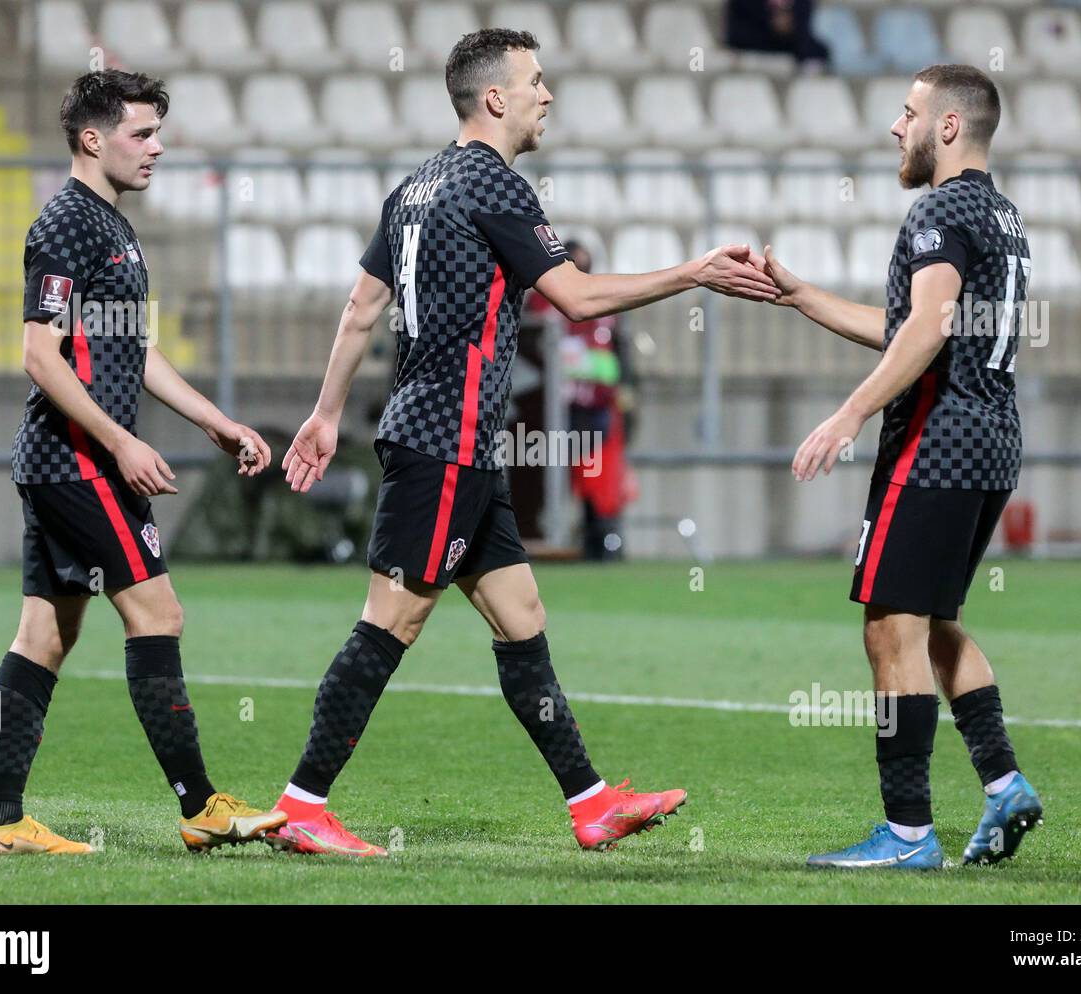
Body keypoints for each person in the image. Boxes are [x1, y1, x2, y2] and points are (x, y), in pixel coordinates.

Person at [269, 28, 778, 856]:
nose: (548, 94)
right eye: (536, 81)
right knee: (388, 624)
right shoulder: (493, 186)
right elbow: (574, 298)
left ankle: (590, 803)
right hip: (445, 444)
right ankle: (301, 806)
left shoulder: (414, 187)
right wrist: (692, 272)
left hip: (458, 446)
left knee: (521, 617)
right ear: (494, 97)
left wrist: (327, 413)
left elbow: (362, 306)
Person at [0, 70, 283, 855]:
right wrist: (120, 440)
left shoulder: (113, 226)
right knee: (159, 615)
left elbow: (135, 351)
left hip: (62, 463)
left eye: (156, 132)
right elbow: (40, 357)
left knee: (43, 635)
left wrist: (215, 422)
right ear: (91, 138)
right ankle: (202, 807)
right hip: (76, 464)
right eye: (141, 133)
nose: (157, 146)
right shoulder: (67, 224)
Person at [760, 64, 1042, 869]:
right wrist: (802, 295)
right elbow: (915, 325)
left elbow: (924, 331)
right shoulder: (1002, 213)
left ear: (947, 125)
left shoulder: (941, 208)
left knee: (889, 628)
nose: (896, 126)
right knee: (933, 623)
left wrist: (849, 414)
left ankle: (909, 835)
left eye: (908, 112)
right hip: (991, 440)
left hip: (934, 443)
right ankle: (1003, 785)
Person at [527, 240, 639, 560]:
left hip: (594, 409)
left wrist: (625, 390)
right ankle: (548, 538)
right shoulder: (540, 304)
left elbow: (619, 355)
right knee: (545, 474)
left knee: (596, 479)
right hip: (549, 410)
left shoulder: (604, 304)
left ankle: (600, 543)